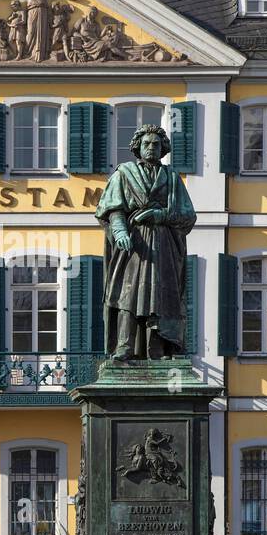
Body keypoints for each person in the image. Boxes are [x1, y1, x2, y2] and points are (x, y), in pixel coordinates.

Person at [95, 124, 196, 360]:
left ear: (163, 149)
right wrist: (119, 232)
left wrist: (160, 215)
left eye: (156, 144)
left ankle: (158, 348)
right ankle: (124, 345)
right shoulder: (123, 174)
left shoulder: (172, 178)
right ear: (137, 147)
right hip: (133, 243)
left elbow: (187, 215)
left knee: (161, 296)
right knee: (126, 294)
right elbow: (113, 209)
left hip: (164, 246)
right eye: (146, 144)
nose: (151, 147)